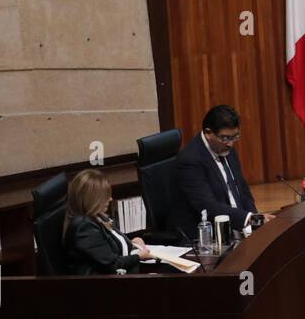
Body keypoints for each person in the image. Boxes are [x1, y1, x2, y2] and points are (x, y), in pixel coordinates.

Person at [167, 104, 275, 244]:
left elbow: (242, 190)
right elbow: (208, 206)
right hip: (203, 240)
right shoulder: (190, 161)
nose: (230, 143)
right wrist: (249, 218)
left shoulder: (225, 148)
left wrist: (256, 221)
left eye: (235, 137)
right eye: (225, 138)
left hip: (234, 229)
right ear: (208, 133)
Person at [62, 168, 150, 275]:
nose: (110, 199)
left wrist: (132, 243)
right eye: (105, 196)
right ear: (92, 199)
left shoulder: (97, 216)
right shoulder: (84, 227)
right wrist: (139, 256)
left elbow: (110, 246)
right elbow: (113, 265)